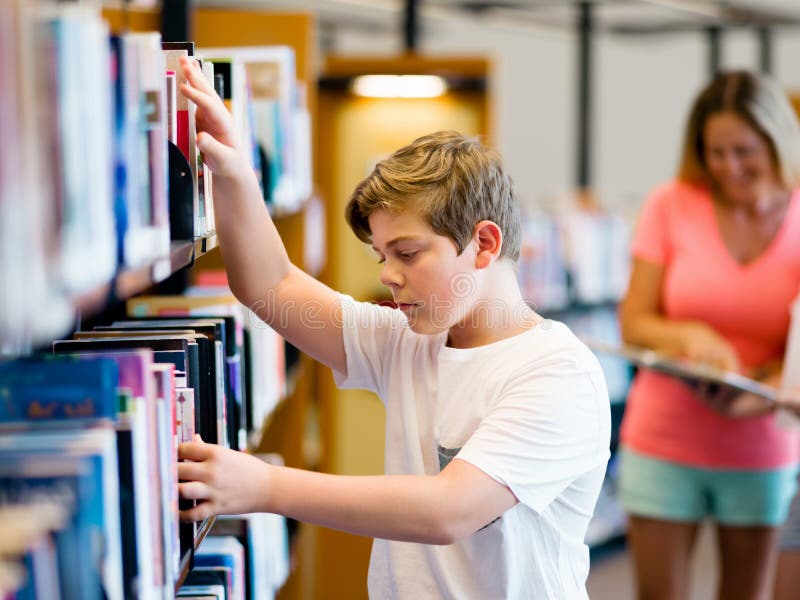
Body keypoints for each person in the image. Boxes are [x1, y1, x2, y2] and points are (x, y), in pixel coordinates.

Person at [175, 56, 610, 599]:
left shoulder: (558, 375)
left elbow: (448, 511)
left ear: (485, 244)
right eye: (382, 255)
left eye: (407, 253)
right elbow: (271, 288)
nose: (387, 275)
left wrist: (266, 485)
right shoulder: (408, 339)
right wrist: (234, 171)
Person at [617, 69, 800, 600]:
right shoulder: (669, 204)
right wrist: (688, 335)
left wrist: (758, 389)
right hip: (664, 440)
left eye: (744, 150)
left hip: (763, 446)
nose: (730, 166)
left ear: (775, 141)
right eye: (715, 151)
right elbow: (634, 321)